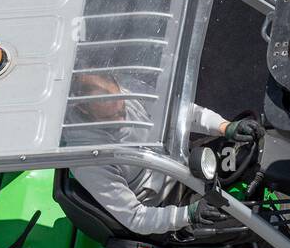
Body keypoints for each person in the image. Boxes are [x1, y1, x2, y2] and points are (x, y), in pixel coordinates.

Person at [67, 72, 263, 237]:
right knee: (258, 224)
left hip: (185, 165)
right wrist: (189, 215)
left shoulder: (126, 94)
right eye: (113, 116)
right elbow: (136, 219)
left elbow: (183, 113)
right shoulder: (89, 160)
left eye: (122, 106)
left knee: (252, 152)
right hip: (169, 207)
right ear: (83, 108)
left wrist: (225, 127)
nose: (123, 115)